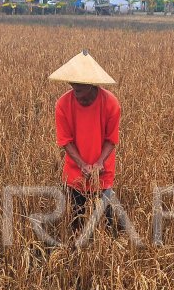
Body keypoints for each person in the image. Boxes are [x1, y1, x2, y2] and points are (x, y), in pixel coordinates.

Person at [50, 50, 121, 232]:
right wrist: (82, 164)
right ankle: (77, 252)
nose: (77, 94)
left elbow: (111, 140)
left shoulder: (111, 104)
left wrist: (99, 163)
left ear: (91, 85)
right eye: (74, 88)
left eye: (80, 90)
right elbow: (65, 141)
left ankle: (108, 249)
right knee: (76, 217)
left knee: (107, 219)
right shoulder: (63, 104)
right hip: (75, 171)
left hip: (102, 171)